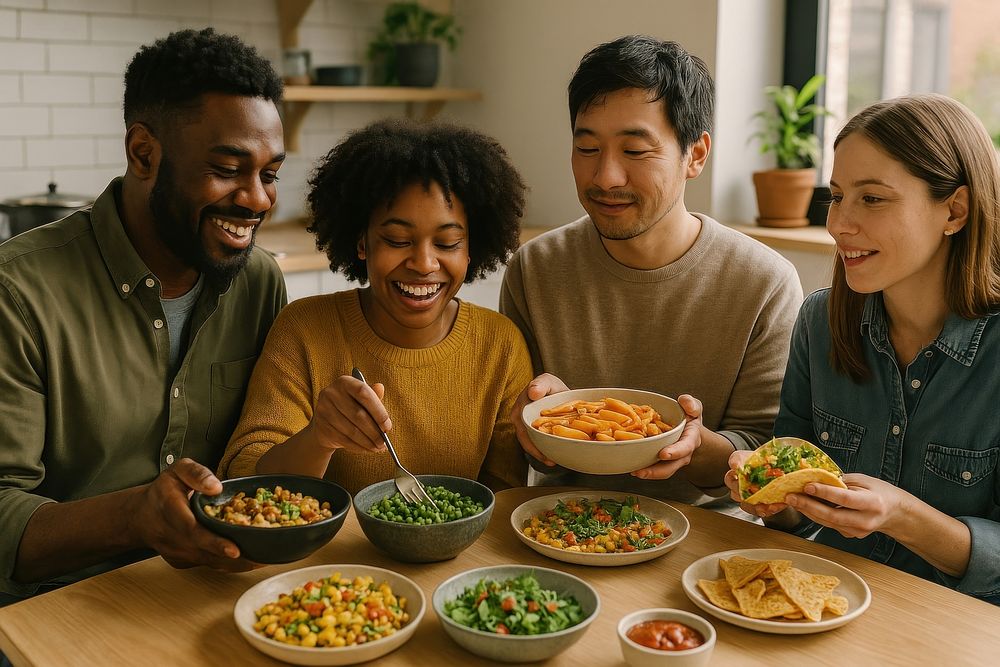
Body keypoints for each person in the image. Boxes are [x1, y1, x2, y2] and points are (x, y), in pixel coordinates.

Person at [0, 28, 287, 603]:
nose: (257, 199)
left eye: (269, 174)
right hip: (57, 607)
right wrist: (136, 517)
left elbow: (258, 454)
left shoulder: (257, 283)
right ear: (143, 153)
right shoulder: (18, 293)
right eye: (229, 168)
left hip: (210, 591)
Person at [501, 35, 803, 504]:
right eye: (587, 149)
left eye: (635, 151)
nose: (605, 177)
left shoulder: (764, 282)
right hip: (559, 525)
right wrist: (536, 424)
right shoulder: (535, 267)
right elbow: (527, 450)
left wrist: (692, 445)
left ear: (696, 155)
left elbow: (764, 454)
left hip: (708, 542)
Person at [723, 94, 1000, 602]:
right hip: (831, 605)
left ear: (955, 210)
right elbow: (795, 514)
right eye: (836, 196)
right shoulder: (820, 322)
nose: (838, 224)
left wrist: (902, 517)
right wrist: (769, 495)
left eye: (872, 199)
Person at [218, 118, 532, 495]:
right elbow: (245, 479)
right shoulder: (304, 329)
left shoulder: (500, 346)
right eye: (398, 240)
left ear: (471, 249)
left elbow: (506, 498)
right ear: (362, 242)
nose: (424, 263)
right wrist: (320, 437)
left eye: (447, 244)